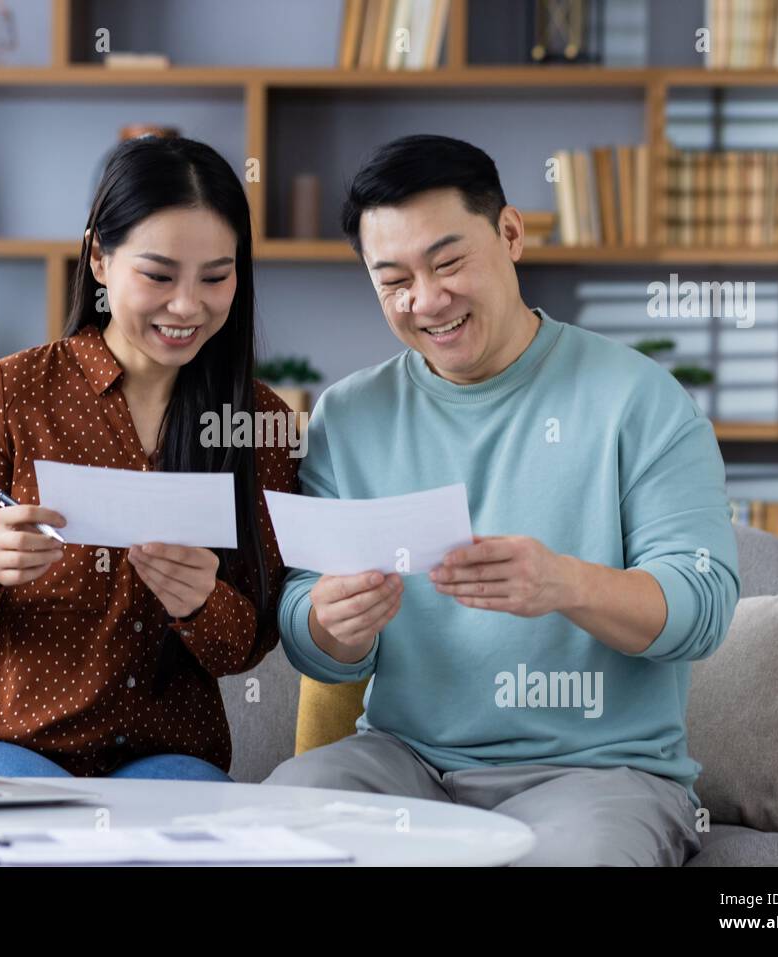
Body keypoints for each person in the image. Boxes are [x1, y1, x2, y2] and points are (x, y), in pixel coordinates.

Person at [264, 134, 740, 865]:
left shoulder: (636, 399)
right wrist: (333, 623)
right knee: (275, 829)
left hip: (600, 775)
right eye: (392, 279)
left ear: (511, 234)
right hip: (406, 763)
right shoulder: (349, 417)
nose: (426, 300)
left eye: (448, 262)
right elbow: (307, 632)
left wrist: (566, 583)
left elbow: (702, 609)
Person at [0, 136, 297, 780]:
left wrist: (200, 601)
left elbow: (246, 645)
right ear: (100, 260)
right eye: (159, 276)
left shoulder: (259, 424)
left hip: (161, 756)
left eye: (216, 277)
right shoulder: (12, 392)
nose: (188, 305)